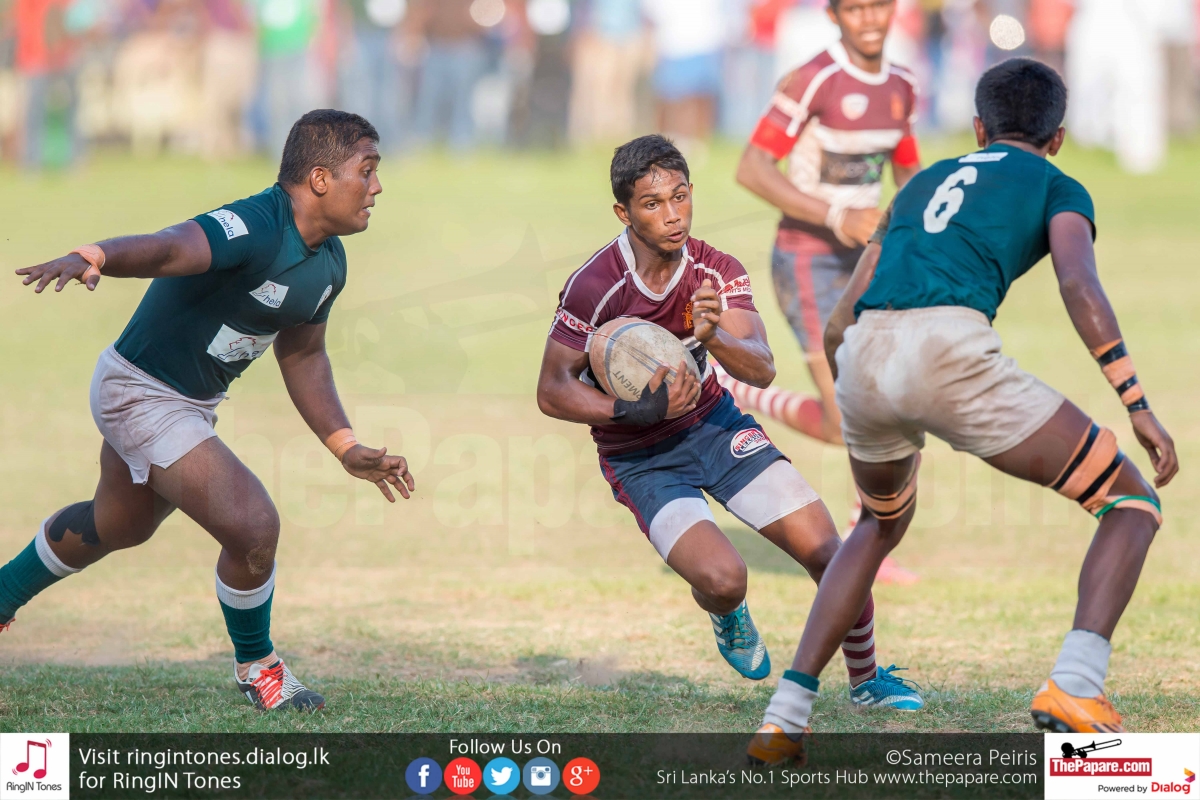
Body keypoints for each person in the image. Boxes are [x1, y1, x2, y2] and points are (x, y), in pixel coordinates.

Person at [747, 59, 1178, 763]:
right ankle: (1075, 683)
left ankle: (784, 719)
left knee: (878, 524)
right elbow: (1079, 281)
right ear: (1058, 137)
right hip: (947, 347)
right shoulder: (1055, 181)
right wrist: (1136, 402)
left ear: (978, 128)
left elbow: (840, 319)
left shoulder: (919, 182)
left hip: (862, 353)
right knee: (1129, 503)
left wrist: (864, 386)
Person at [0, 110, 416, 712]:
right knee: (253, 526)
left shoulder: (329, 262)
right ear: (320, 178)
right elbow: (172, 248)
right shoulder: (252, 224)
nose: (377, 186)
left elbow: (304, 356)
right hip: (140, 391)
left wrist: (345, 446)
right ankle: (259, 667)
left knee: (120, 525)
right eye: (367, 170)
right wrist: (95, 254)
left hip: (188, 403)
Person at [536, 134, 922, 710]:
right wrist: (633, 410)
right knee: (723, 578)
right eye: (652, 203)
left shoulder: (716, 271)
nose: (673, 215)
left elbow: (763, 369)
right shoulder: (597, 285)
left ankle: (867, 681)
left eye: (681, 196)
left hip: (714, 427)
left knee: (828, 551)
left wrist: (714, 336)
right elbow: (551, 390)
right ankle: (729, 614)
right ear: (623, 212)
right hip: (640, 458)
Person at [732, 0, 921, 584]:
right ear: (833, 15)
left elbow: (908, 174)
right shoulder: (812, 79)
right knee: (848, 421)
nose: (870, 19)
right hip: (808, 260)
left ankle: (866, 538)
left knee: (890, 405)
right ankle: (743, 393)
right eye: (856, 9)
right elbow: (753, 169)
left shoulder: (902, 87)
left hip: (869, 262)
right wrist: (839, 215)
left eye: (878, 7)